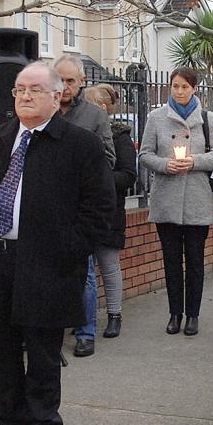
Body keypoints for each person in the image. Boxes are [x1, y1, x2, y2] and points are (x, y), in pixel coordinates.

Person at [0, 62, 112, 425]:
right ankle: (9, 420)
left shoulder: (79, 145)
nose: (24, 96)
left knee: (41, 347)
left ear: (57, 97)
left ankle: (43, 423)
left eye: (35, 90)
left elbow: (100, 211)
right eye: (20, 89)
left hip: (47, 261)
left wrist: (68, 250)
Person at [138, 67, 213, 336]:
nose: (179, 91)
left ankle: (193, 315)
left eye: (184, 87)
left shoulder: (208, 119)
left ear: (194, 88)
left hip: (197, 197)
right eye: (175, 86)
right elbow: (144, 154)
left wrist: (194, 162)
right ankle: (174, 313)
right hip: (167, 198)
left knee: (195, 260)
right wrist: (166, 165)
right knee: (171, 260)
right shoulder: (156, 117)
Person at [54, 54, 115, 358]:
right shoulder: (44, 111)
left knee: (85, 272)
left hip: (79, 206)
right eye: (60, 80)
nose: (64, 87)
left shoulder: (94, 115)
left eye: (70, 81)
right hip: (47, 205)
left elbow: (108, 159)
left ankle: (85, 332)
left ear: (81, 82)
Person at [82, 84, 137, 339]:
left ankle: (114, 314)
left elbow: (128, 175)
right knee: (83, 269)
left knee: (108, 265)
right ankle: (83, 316)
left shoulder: (120, 136)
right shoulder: (79, 134)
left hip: (109, 210)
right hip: (82, 210)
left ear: (103, 108)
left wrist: (97, 179)